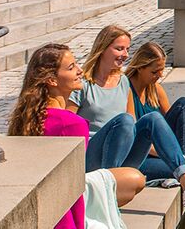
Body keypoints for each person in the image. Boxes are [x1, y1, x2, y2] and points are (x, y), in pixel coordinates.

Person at [74, 26, 185, 209]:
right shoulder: (83, 85)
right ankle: (107, 189)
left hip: (124, 158)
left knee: (152, 119)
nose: (125, 54)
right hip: (95, 158)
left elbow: (133, 128)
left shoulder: (123, 82)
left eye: (127, 49)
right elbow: (68, 128)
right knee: (125, 121)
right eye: (119, 48)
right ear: (102, 48)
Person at [8, 43, 145, 229]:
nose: (80, 71)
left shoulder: (26, 117)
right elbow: (73, 187)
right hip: (62, 208)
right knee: (135, 178)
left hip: (40, 197)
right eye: (71, 67)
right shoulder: (72, 123)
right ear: (52, 80)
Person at [126, 42, 185, 229]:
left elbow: (169, 130)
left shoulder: (155, 90)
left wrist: (179, 154)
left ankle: (183, 158)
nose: (159, 76)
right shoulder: (128, 92)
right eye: (155, 72)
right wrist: (172, 157)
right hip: (140, 157)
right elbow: (131, 139)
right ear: (140, 67)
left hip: (163, 151)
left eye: (161, 71)